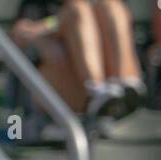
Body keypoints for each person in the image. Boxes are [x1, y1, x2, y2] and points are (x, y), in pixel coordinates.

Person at [11, 0, 147, 124]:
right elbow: (20, 32)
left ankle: (126, 88)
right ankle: (97, 92)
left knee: (111, 7)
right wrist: (42, 40)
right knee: (78, 10)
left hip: (113, 79)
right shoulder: (42, 5)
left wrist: (53, 24)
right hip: (65, 84)